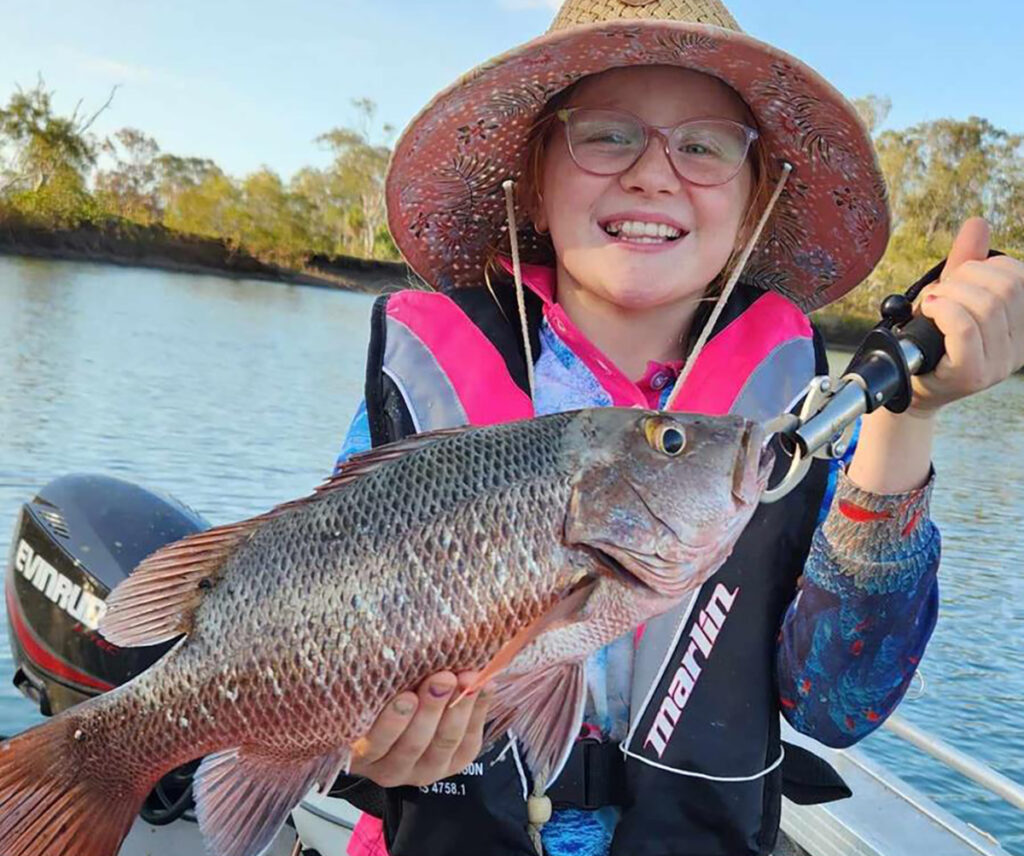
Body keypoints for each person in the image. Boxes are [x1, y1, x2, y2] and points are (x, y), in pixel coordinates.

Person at [329, 2, 1024, 855]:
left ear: (753, 203)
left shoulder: (794, 415)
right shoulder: (426, 383)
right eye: (606, 135)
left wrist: (908, 417)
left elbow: (838, 705)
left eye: (702, 147)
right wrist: (363, 745)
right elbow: (322, 656)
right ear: (536, 182)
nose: (653, 175)